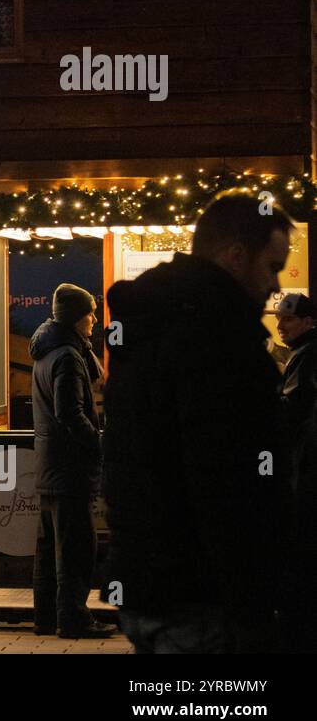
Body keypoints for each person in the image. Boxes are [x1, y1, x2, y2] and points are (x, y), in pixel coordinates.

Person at [104, 191, 290, 653]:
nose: (276, 286)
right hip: (204, 597)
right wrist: (254, 595)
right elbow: (224, 480)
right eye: (272, 267)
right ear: (235, 256)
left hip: (149, 584)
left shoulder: (153, 322)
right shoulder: (217, 339)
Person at [29, 283, 114, 639]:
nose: (94, 319)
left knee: (50, 548)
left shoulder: (46, 351)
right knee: (77, 547)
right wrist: (98, 444)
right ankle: (74, 619)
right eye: (89, 313)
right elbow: (71, 412)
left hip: (49, 465)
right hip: (69, 467)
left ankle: (46, 617)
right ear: (75, 318)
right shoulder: (67, 356)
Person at [273, 293, 317, 649]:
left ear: (307, 321)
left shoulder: (307, 356)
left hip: (305, 470)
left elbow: (292, 407)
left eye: (288, 319)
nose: (280, 325)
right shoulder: (302, 353)